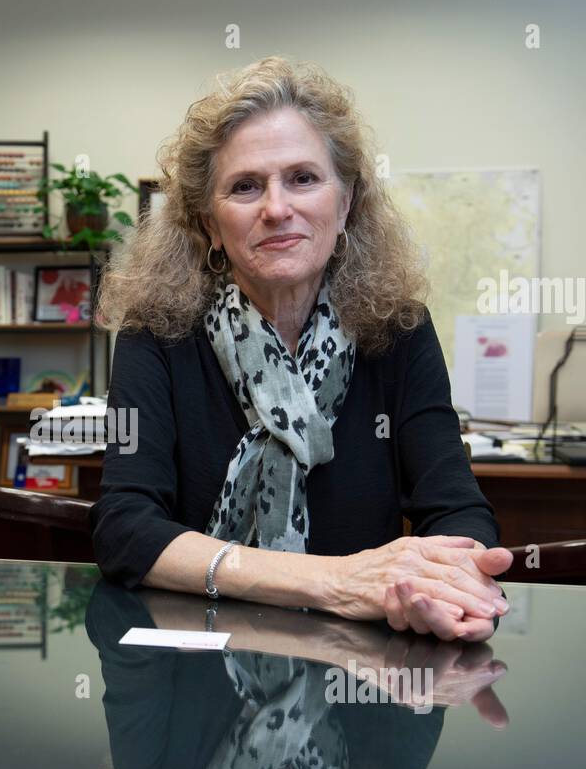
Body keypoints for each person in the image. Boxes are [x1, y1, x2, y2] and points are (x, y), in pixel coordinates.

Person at [90, 57, 512, 641]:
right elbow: (126, 529)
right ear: (211, 224)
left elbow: (457, 509)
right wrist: (335, 582)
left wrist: (442, 588)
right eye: (244, 186)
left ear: (344, 205)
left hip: (367, 670)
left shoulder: (400, 330)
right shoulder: (156, 335)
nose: (276, 208)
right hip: (193, 664)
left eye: (303, 178)